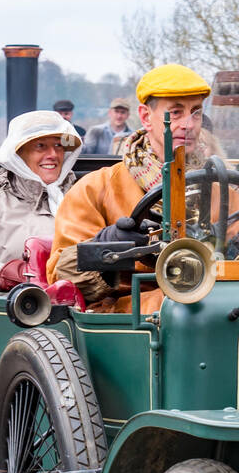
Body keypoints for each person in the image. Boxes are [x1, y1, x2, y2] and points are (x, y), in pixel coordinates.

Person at [48, 64, 225, 307]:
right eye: (175, 113)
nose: (189, 124)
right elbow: (60, 278)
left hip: (212, 307)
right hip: (128, 319)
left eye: (196, 112)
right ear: (145, 117)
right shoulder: (95, 188)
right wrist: (104, 246)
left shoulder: (219, 190)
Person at [0, 110, 82, 292]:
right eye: (40, 146)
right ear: (18, 154)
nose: (53, 154)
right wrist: (11, 273)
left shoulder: (83, 197)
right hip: (19, 311)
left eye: (58, 146)